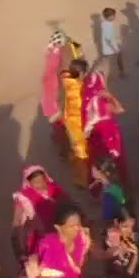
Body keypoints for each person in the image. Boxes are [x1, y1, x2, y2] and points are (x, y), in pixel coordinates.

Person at [11, 165, 69, 263]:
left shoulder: (55, 190)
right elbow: (17, 223)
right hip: (37, 240)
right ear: (29, 183)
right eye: (36, 182)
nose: (40, 185)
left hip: (59, 235)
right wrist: (19, 247)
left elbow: (69, 208)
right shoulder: (23, 198)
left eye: (42, 181)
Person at [84, 64, 128, 186]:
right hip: (109, 139)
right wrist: (111, 97)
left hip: (96, 140)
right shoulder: (104, 103)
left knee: (98, 164)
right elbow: (120, 110)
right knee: (111, 164)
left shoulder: (87, 101)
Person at [63, 58, 92, 188]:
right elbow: (82, 109)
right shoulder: (78, 90)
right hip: (77, 124)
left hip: (69, 120)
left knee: (74, 146)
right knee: (82, 154)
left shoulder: (68, 81)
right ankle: (80, 180)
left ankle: (72, 156)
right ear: (81, 74)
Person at [98, 7, 127, 79]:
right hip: (110, 49)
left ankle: (113, 75)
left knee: (111, 62)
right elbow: (108, 40)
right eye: (114, 15)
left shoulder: (105, 23)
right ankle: (120, 73)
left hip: (109, 48)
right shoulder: (108, 26)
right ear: (110, 17)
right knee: (114, 61)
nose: (115, 17)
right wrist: (115, 49)